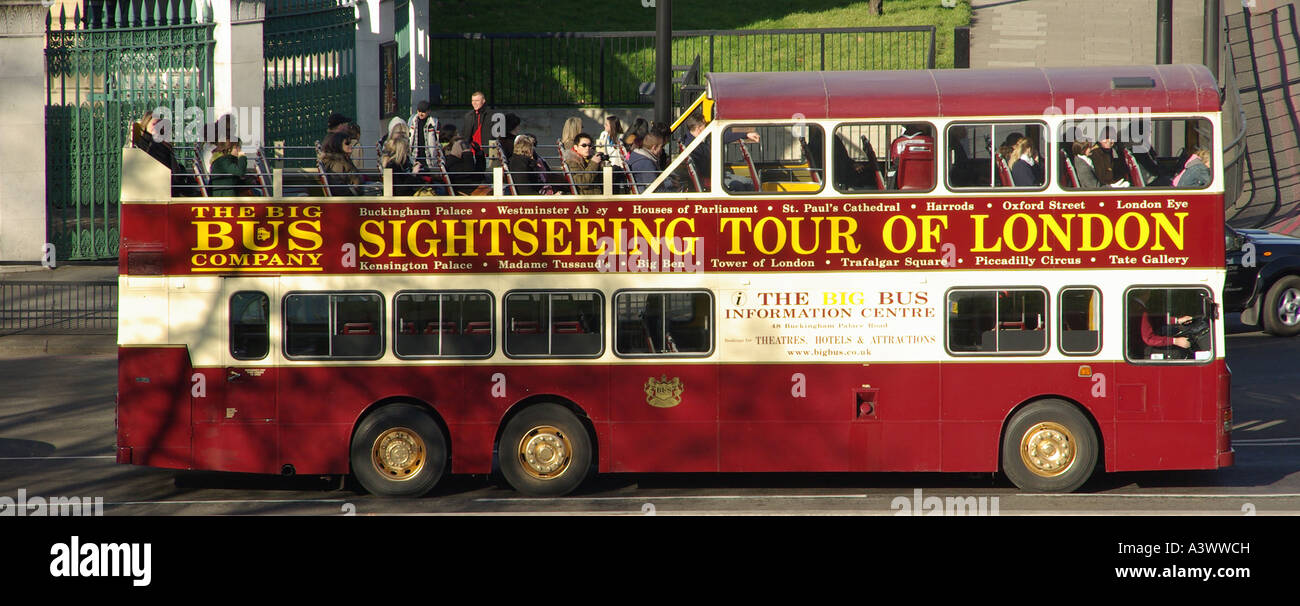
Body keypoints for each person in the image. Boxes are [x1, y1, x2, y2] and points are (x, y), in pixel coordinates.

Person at [681, 114, 759, 184]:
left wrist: (746, 134)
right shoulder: (691, 147)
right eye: (705, 125)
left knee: (749, 182)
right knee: (739, 185)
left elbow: (723, 136)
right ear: (699, 129)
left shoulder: (703, 138)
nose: (707, 127)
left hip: (717, 174)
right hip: (710, 179)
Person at [1129, 290, 1195, 359]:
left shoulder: (1134, 305)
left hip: (1137, 349)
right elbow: (1149, 338)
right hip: (1140, 351)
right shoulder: (1140, 309)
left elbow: (1153, 319)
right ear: (1147, 292)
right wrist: (1175, 341)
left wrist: (1177, 320)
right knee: (1178, 353)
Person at [318, 131, 363, 196]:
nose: (351, 146)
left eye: (350, 143)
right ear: (338, 145)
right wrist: (355, 191)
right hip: (352, 198)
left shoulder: (344, 159)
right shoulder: (337, 164)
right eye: (347, 143)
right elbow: (338, 188)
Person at [379, 131, 422, 196]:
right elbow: (400, 191)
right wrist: (413, 174)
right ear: (403, 150)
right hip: (399, 201)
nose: (409, 151)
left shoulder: (405, 162)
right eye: (407, 149)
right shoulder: (392, 165)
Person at [462, 91, 490, 175]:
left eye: (477, 100)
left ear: (483, 101)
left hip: (486, 153)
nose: (474, 103)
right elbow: (465, 135)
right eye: (473, 101)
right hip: (472, 152)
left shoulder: (491, 115)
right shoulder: (468, 116)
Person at [406, 100, 439, 169]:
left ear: (428, 111)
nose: (420, 114)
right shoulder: (412, 121)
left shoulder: (433, 123)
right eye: (419, 111)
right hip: (415, 156)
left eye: (423, 112)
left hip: (428, 158)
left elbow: (437, 141)